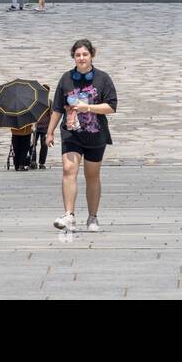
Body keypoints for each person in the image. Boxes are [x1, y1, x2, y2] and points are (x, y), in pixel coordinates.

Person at [48, 39, 118, 232]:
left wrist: (87, 107)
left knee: (92, 176)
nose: (81, 58)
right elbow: (57, 108)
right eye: (77, 55)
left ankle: (93, 217)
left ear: (91, 56)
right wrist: (50, 131)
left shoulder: (102, 79)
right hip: (72, 134)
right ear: (73, 57)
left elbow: (111, 106)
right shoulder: (66, 79)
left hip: (95, 135)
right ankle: (69, 215)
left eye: (85, 54)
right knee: (68, 170)